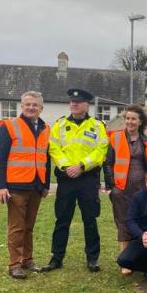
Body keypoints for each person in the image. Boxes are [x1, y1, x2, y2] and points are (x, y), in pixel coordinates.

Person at [42, 89, 109, 273]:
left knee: (90, 219)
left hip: (88, 179)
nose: (74, 104)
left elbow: (101, 149)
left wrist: (81, 166)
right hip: (66, 179)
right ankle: (56, 257)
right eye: (72, 101)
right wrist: (66, 167)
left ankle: (92, 258)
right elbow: (53, 147)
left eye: (78, 102)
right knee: (62, 219)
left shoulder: (97, 125)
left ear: (87, 105)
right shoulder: (60, 124)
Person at [0, 91, 51, 280]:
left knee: (29, 226)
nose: (31, 107)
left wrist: (45, 184)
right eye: (28, 104)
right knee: (17, 227)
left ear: (41, 108)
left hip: (36, 186)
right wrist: (0, 186)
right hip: (16, 186)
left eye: (35, 105)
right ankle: (15, 264)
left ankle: (27, 259)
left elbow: (46, 158)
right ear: (22, 106)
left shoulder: (45, 128)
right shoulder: (9, 126)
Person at [103, 104, 147, 275]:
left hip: (141, 189)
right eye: (128, 118)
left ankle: (138, 258)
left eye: (133, 119)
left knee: (140, 221)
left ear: (140, 122)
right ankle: (125, 260)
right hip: (121, 189)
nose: (130, 122)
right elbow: (108, 163)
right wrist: (112, 186)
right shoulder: (115, 137)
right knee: (123, 222)